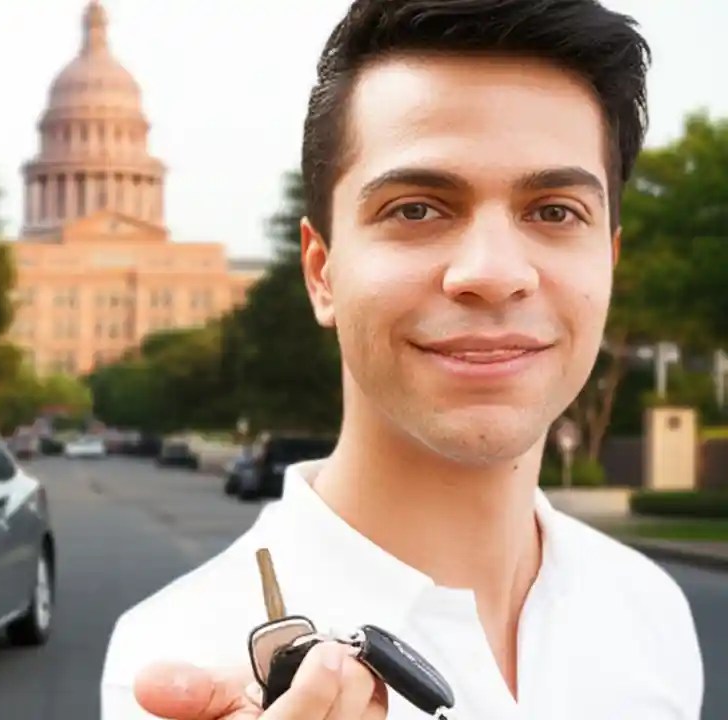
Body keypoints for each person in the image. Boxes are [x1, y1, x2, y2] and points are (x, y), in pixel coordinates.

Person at [99, 1, 705, 718]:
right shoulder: (186, 662)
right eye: (416, 209)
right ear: (321, 272)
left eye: (553, 211)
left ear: (607, 261)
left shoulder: (650, 612)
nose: (492, 271)